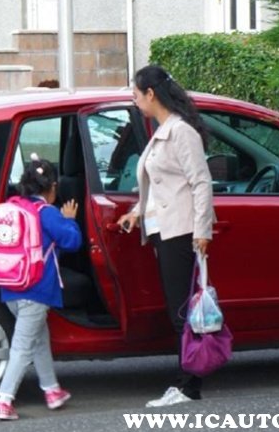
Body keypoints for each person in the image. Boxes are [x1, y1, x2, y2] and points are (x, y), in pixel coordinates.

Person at [117, 65, 215, 407]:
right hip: (165, 230)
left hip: (182, 231)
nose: (134, 101)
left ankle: (188, 385)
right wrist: (136, 212)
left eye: (135, 95)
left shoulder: (180, 132)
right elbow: (161, 187)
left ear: (151, 94)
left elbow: (201, 182)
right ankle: (187, 381)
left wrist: (202, 230)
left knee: (182, 312)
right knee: (179, 310)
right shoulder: (164, 130)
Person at [0, 154, 81, 420]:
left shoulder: (13, 207)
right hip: (36, 290)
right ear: (52, 187)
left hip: (10, 287)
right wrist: (69, 219)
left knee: (39, 339)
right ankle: (4, 401)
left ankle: (52, 390)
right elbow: (72, 242)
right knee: (22, 347)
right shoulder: (47, 213)